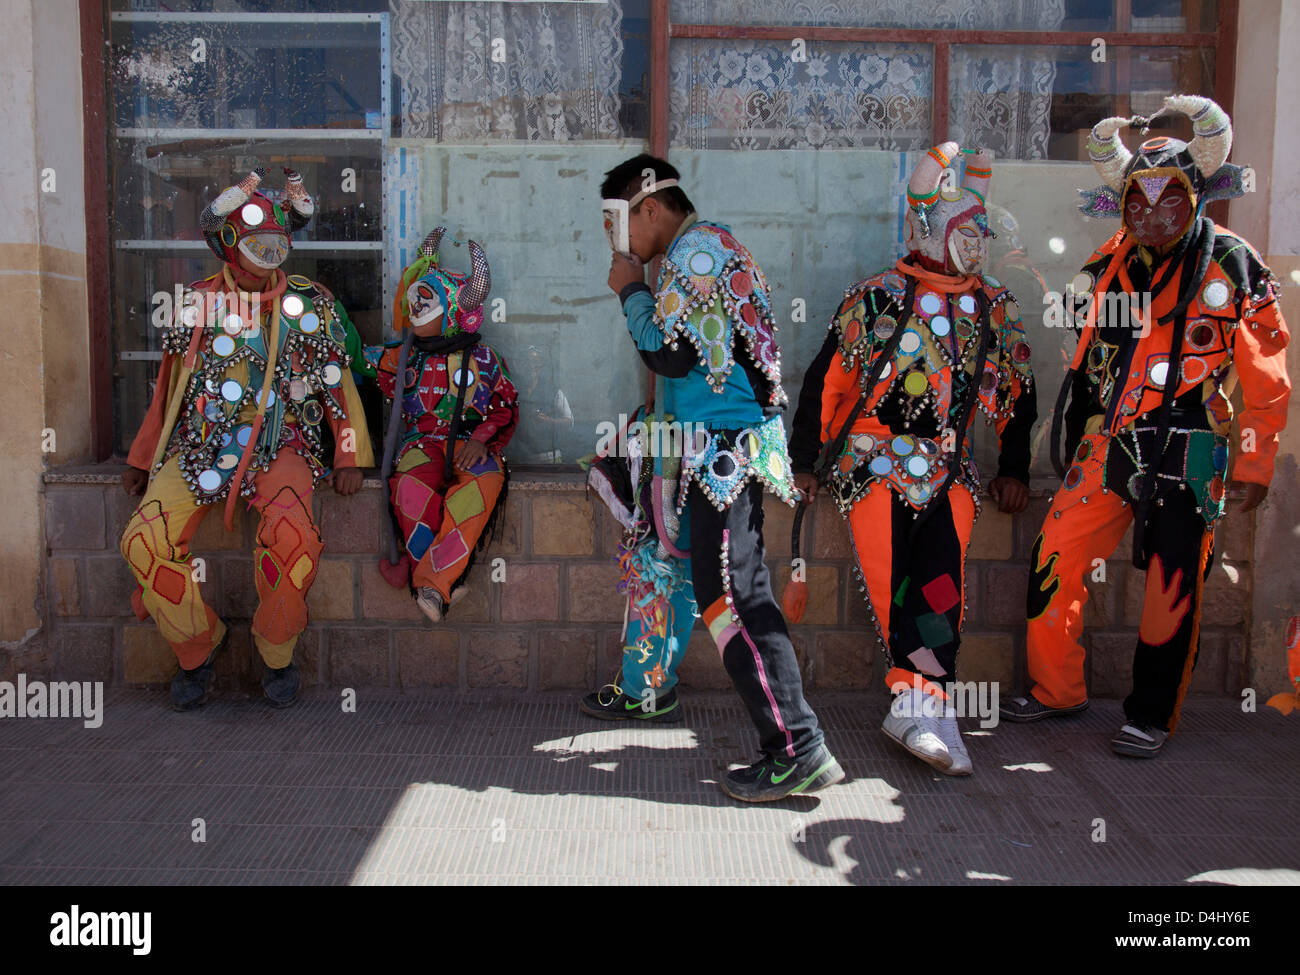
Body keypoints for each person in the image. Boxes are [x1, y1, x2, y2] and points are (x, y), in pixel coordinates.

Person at [1003, 95, 1290, 758]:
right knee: (1055, 554)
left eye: (1169, 199)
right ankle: (1056, 689)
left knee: (1172, 579)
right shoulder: (1109, 262)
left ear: (1197, 196)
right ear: (1123, 201)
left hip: (1190, 440)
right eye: (1138, 199)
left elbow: (1268, 373)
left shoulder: (1233, 262)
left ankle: (1152, 713)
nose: (1152, 213)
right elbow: (1081, 342)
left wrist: (1253, 463)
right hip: (1112, 437)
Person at [593, 153, 843, 802]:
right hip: (717, 452)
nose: (614, 241)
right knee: (729, 593)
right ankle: (795, 742)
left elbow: (669, 352)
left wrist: (629, 290)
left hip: (723, 454)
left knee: (736, 597)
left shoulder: (697, 253)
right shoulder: (702, 251)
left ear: (651, 208)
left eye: (616, 224)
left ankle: (797, 745)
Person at [788, 143, 1036, 775]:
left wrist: (1013, 466)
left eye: (981, 232)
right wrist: (804, 460)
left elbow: (1015, 389)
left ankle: (929, 702)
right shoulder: (876, 297)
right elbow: (828, 380)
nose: (976, 245)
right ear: (929, 230)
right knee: (889, 577)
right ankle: (916, 700)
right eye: (965, 231)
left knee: (938, 583)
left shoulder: (993, 306)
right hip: (872, 461)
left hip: (948, 469)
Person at [120, 167, 374, 710]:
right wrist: (143, 457)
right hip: (198, 445)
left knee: (296, 542)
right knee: (142, 540)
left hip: (283, 448)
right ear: (230, 244)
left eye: (276, 243)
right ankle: (196, 645)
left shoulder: (312, 302)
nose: (268, 253)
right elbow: (169, 388)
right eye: (257, 242)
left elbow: (338, 382)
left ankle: (276, 648)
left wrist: (349, 452)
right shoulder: (196, 302)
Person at [366, 228, 518, 622]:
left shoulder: (484, 359)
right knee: (410, 490)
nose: (416, 311)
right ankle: (436, 584)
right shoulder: (404, 357)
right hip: (421, 445)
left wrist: (483, 439)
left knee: (480, 487)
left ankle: (430, 582)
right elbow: (357, 358)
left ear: (452, 312)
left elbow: (504, 404)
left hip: (471, 444)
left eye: (427, 306)